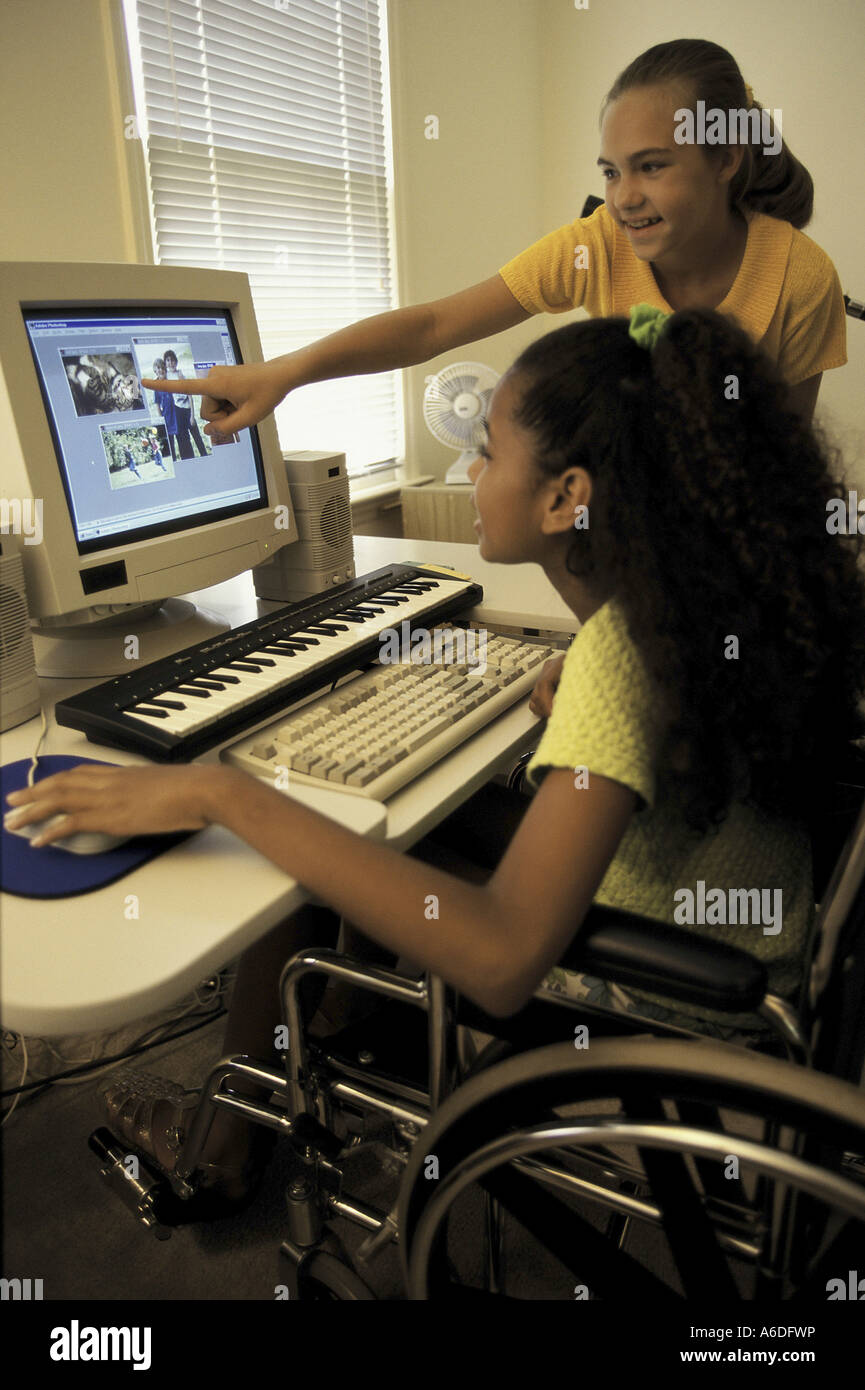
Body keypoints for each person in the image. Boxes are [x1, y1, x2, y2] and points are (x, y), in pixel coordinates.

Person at [8, 304, 865, 1206]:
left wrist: (228, 799)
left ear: (566, 497)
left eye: (488, 450)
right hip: (747, 966)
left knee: (296, 854)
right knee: (360, 836)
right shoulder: (693, 612)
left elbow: (500, 958)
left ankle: (229, 1142)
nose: (466, 467)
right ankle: (298, 1072)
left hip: (663, 1020)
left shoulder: (627, 656)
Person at [142, 38, 845, 438]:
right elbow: (432, 326)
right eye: (611, 171)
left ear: (724, 159)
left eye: (652, 167)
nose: (624, 197)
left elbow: (784, 464)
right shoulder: (592, 246)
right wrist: (286, 373)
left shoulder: (801, 278)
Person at [163, 350, 207, 459]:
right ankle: (189, 460)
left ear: (176, 362)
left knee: (197, 436)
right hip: (177, 411)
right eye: (168, 360)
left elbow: (190, 396)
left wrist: (192, 415)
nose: (171, 363)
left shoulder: (181, 375)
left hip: (187, 410)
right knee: (183, 440)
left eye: (173, 360)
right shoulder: (166, 377)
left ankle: (204, 456)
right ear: (165, 363)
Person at [149, 357, 179, 461]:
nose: (161, 370)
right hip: (167, 417)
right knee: (171, 444)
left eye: (162, 368)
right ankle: (174, 459)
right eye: (158, 368)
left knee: (181, 439)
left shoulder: (170, 379)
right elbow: (157, 403)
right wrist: (161, 418)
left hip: (176, 415)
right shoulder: (156, 384)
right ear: (155, 371)